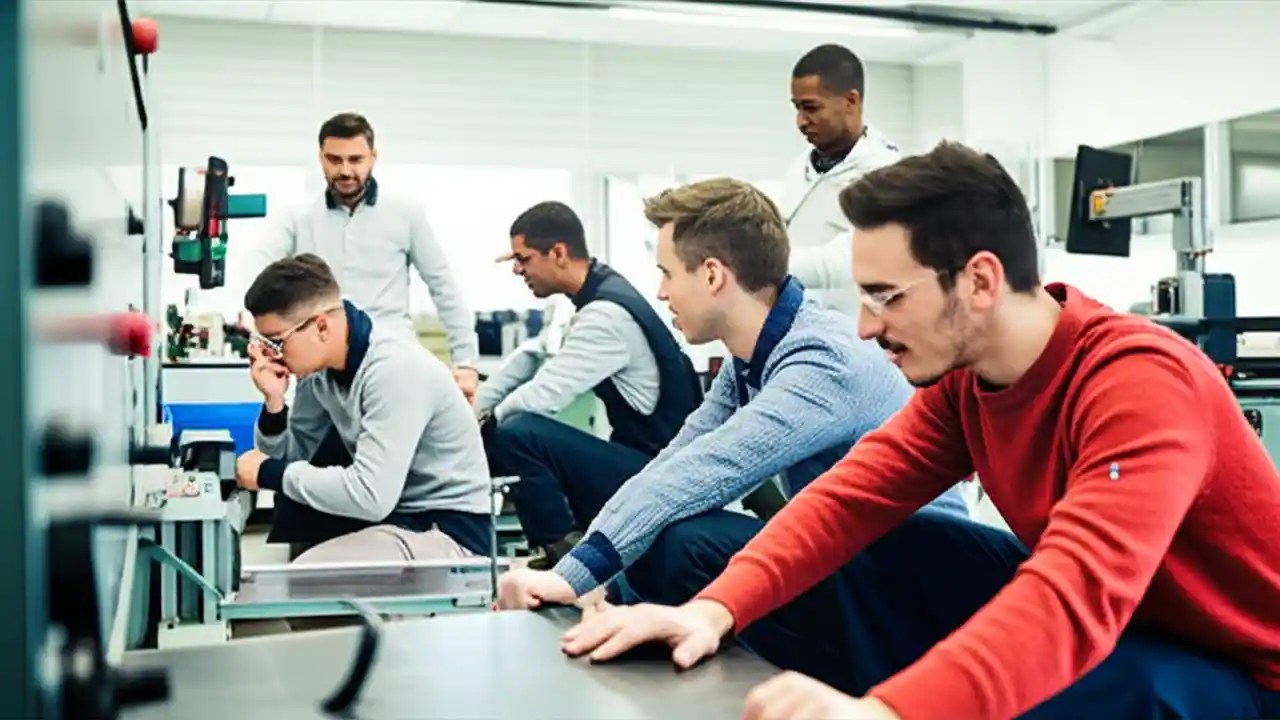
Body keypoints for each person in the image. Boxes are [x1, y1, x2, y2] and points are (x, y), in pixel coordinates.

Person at [555, 143, 1280, 720]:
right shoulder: (968, 384)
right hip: (1128, 617)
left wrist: (893, 711)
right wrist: (713, 610)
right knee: (888, 542)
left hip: (1240, 665)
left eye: (886, 297)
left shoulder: (1138, 382)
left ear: (980, 282)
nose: (865, 327)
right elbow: (846, 500)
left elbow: (1075, 593)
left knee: (1106, 685)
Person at [496, 178, 969, 611]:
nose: (661, 292)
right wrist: (586, 575)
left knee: (683, 540)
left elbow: (709, 472)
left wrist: (573, 577)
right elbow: (679, 457)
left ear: (712, 275)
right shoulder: (754, 357)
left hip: (910, 579)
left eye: (667, 273)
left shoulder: (822, 359)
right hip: (855, 554)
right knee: (664, 526)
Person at [478, 200, 703, 569]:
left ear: (558, 253)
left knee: (517, 432)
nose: (517, 269)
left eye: (523, 259)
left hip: (657, 475)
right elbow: (535, 354)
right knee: (511, 427)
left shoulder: (605, 316)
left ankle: (559, 558)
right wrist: (477, 409)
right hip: (649, 462)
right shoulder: (597, 293)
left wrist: (482, 429)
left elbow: (542, 397)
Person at [234, 253, 492, 562]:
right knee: (296, 541)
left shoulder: (394, 370)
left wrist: (268, 472)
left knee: (308, 574)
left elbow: (371, 495)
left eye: (277, 342)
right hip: (396, 516)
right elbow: (291, 461)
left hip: (447, 529)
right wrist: (274, 404)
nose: (272, 355)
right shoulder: (319, 372)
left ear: (321, 327)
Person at [245, 112, 481, 401]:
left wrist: (466, 361)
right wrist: (261, 338)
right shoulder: (298, 216)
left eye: (355, 159)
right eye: (334, 160)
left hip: (391, 360)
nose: (345, 170)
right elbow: (256, 268)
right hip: (321, 366)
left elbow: (443, 286)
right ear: (321, 158)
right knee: (300, 431)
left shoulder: (406, 213)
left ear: (373, 157)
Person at [782, 43, 901, 316]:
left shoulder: (887, 174)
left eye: (811, 108)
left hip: (853, 332)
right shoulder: (800, 168)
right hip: (797, 323)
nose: (801, 121)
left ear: (851, 101)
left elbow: (853, 258)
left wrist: (758, 266)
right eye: (797, 108)